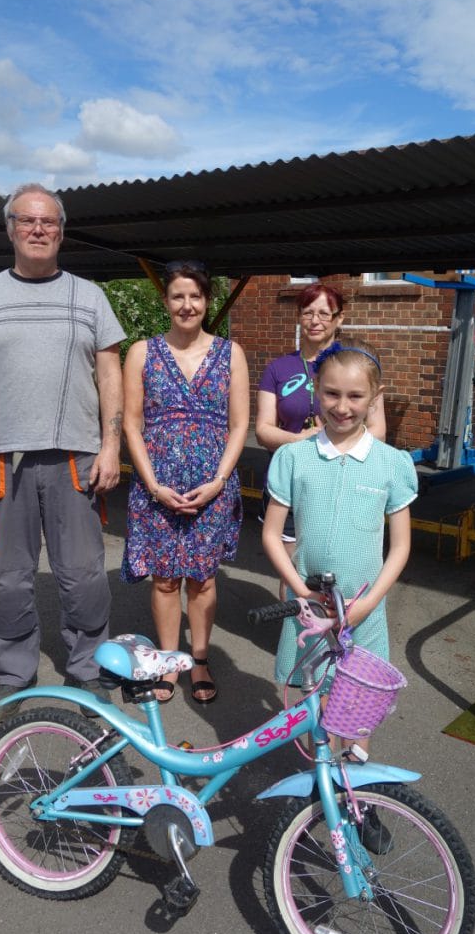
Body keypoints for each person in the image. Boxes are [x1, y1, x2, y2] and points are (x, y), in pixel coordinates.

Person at [0, 182, 125, 723]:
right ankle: (14, 679)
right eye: (27, 220)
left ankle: (88, 674)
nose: (39, 229)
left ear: (62, 231)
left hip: (75, 456)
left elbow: (111, 372)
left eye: (49, 222)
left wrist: (111, 446)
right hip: (4, 458)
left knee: (84, 575)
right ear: (10, 229)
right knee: (8, 578)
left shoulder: (89, 296)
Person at [262, 339, 417, 758]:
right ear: (315, 390)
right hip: (308, 612)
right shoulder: (293, 458)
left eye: (355, 396)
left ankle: (357, 800)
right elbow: (272, 535)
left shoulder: (391, 464)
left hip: (364, 615)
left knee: (357, 711)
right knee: (315, 710)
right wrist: (301, 592)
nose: (342, 406)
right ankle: (321, 793)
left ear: (374, 398)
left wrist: (367, 604)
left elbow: (400, 547)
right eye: (332, 393)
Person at [120, 261, 250, 703]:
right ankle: (167, 661)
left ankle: (199, 660)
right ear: (166, 302)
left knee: (203, 580)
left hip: (211, 490)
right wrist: (154, 485)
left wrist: (218, 481)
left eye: (195, 296)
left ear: (207, 301)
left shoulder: (231, 354)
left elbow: (240, 425)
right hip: (157, 490)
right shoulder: (141, 352)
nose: (187, 305)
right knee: (164, 580)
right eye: (178, 296)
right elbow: (132, 425)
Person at [255, 282, 386, 544]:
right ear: (299, 317)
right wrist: (303, 440)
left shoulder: (358, 363)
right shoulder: (278, 368)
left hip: (345, 480)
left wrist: (334, 446)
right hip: (292, 480)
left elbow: (378, 431)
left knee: (339, 565)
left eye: (325, 314)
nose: (315, 321)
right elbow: (263, 430)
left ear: (339, 319)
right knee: (292, 575)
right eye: (307, 313)